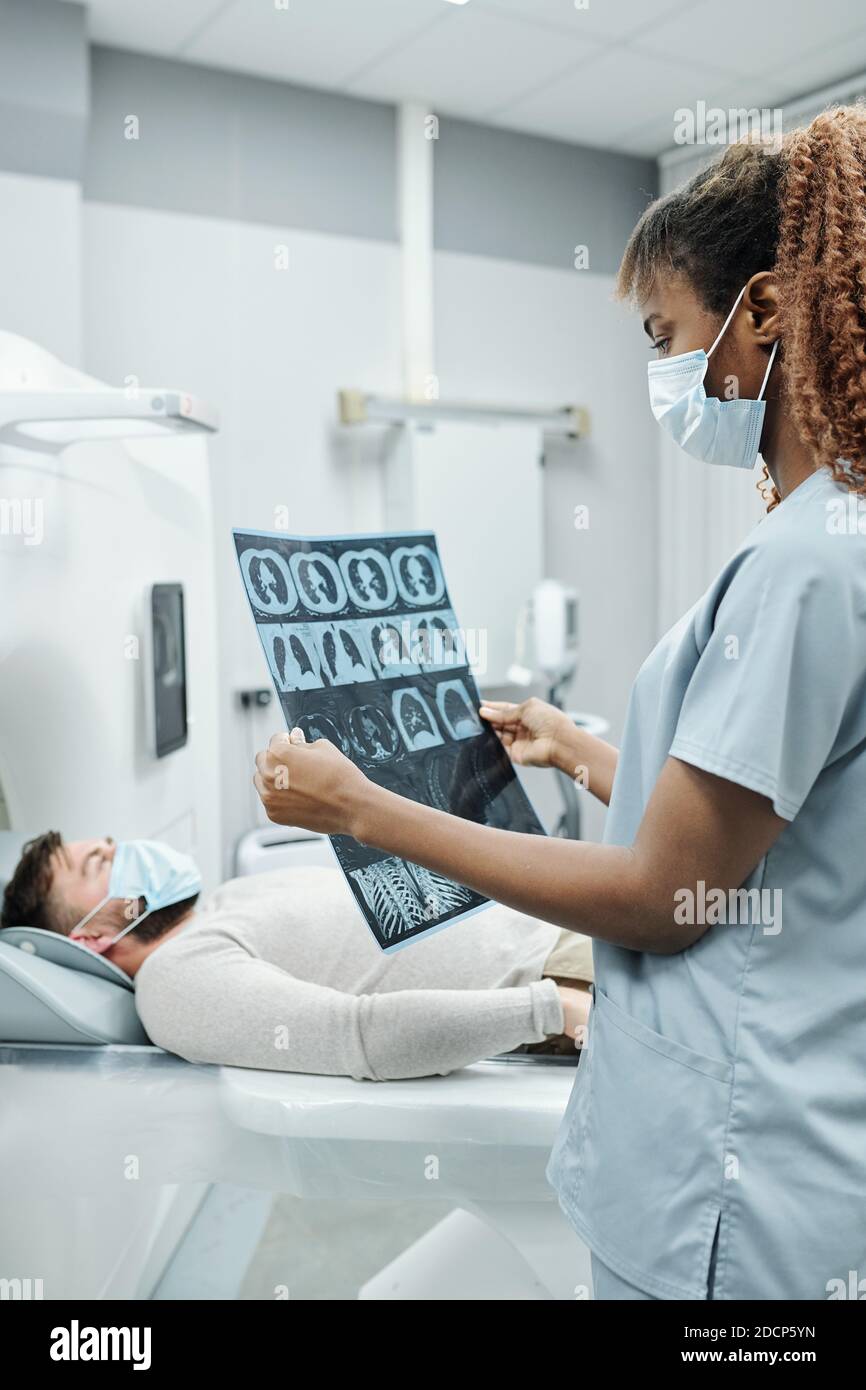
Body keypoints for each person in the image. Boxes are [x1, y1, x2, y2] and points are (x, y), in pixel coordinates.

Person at [252, 108, 866, 1300]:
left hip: (725, 1193)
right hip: (757, 1155)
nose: (663, 373)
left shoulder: (804, 561)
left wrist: (366, 810)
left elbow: (659, 897)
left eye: (666, 334)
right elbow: (768, 818)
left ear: (766, 316)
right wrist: (580, 748)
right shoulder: (831, 534)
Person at [0, 833, 592, 1079]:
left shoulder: (220, 905)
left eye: (110, 843)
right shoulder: (174, 980)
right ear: (88, 936)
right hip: (561, 978)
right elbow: (361, 1038)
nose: (120, 849)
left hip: (560, 927)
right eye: (97, 865)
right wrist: (554, 1009)